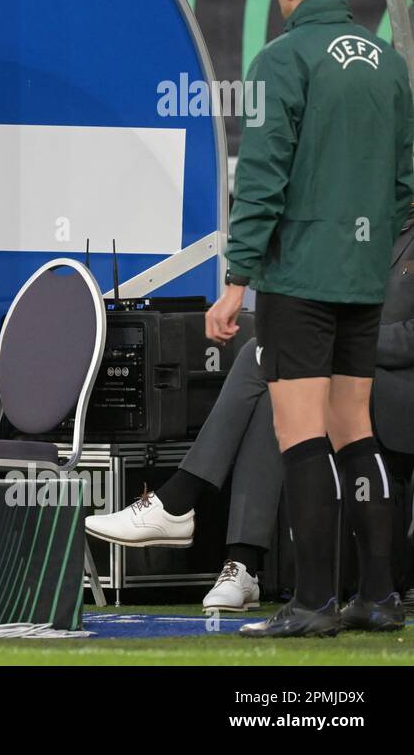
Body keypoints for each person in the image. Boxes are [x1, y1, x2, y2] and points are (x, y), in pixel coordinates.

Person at [205, 0, 414, 637]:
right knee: (356, 430)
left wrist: (237, 281)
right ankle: (380, 598)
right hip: (362, 281)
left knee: (301, 435)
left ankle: (314, 604)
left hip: (300, 276)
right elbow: (406, 183)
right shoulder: (389, 65)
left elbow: (259, 179)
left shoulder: (279, 60)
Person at [86, 211, 414, 610]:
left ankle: (181, 503)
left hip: (396, 390)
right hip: (340, 376)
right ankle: (240, 566)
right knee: (272, 378)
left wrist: (339, 343)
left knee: (265, 360)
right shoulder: (363, 232)